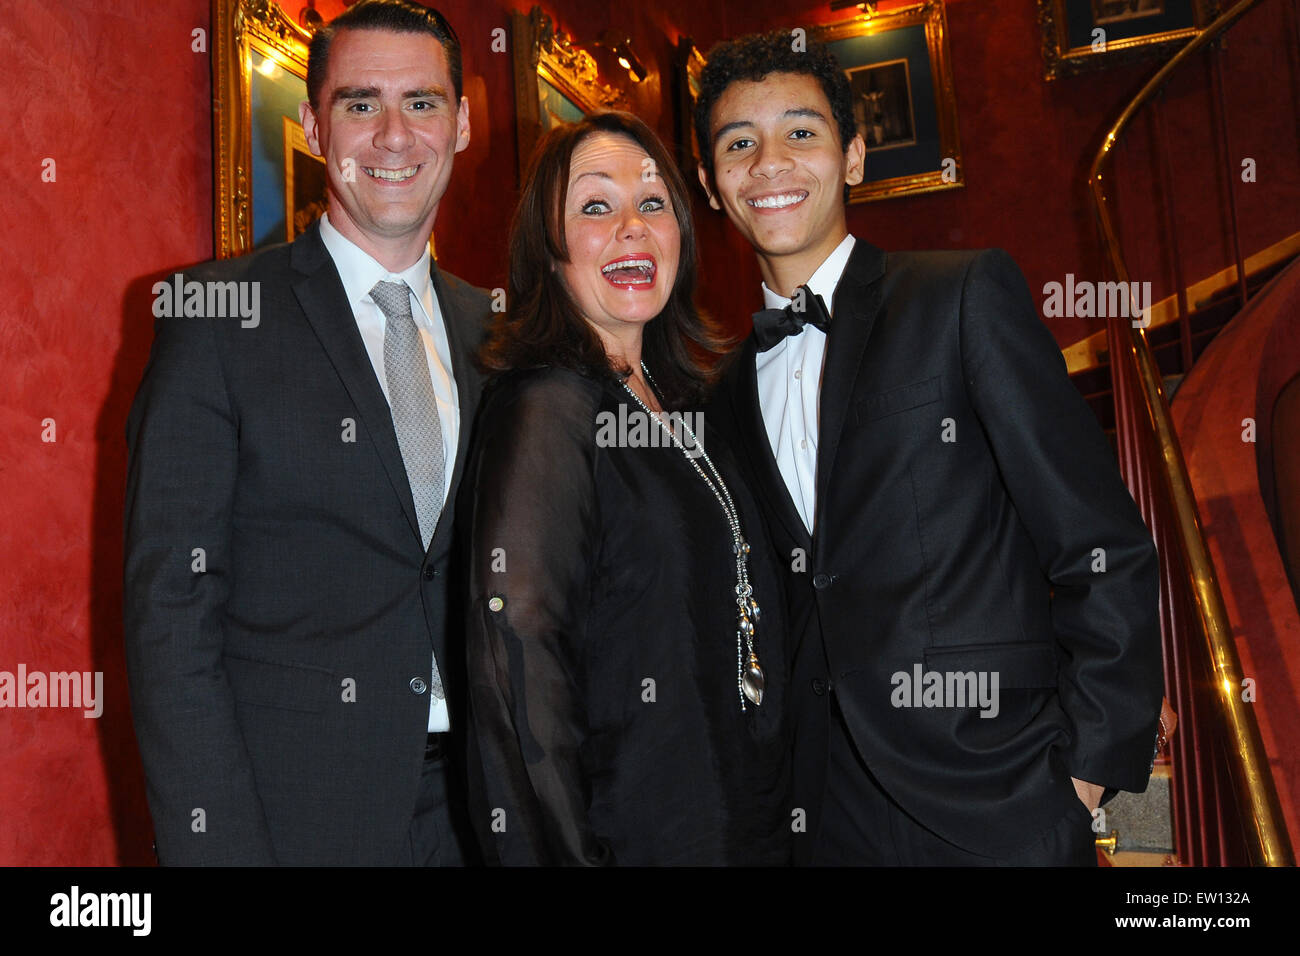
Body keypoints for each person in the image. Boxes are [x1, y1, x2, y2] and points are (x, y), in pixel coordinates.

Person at [694, 31, 1164, 865]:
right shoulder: (722, 391)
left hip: (995, 790)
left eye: (801, 132)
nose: (769, 162)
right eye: (740, 143)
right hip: (817, 810)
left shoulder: (961, 295)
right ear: (711, 183)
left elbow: (1102, 543)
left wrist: (1083, 774)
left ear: (855, 158)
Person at [124, 0, 490, 865]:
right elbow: (170, 620)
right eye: (361, 104)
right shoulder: (214, 320)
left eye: (424, 103)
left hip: (485, 819)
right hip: (296, 822)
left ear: (463, 124)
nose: (394, 136)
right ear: (314, 127)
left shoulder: (501, 334)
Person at [461, 110, 791, 865]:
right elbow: (518, 676)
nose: (632, 228)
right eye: (595, 206)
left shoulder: (689, 405)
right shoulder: (547, 405)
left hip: (742, 819)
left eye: (652, 203)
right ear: (548, 252)